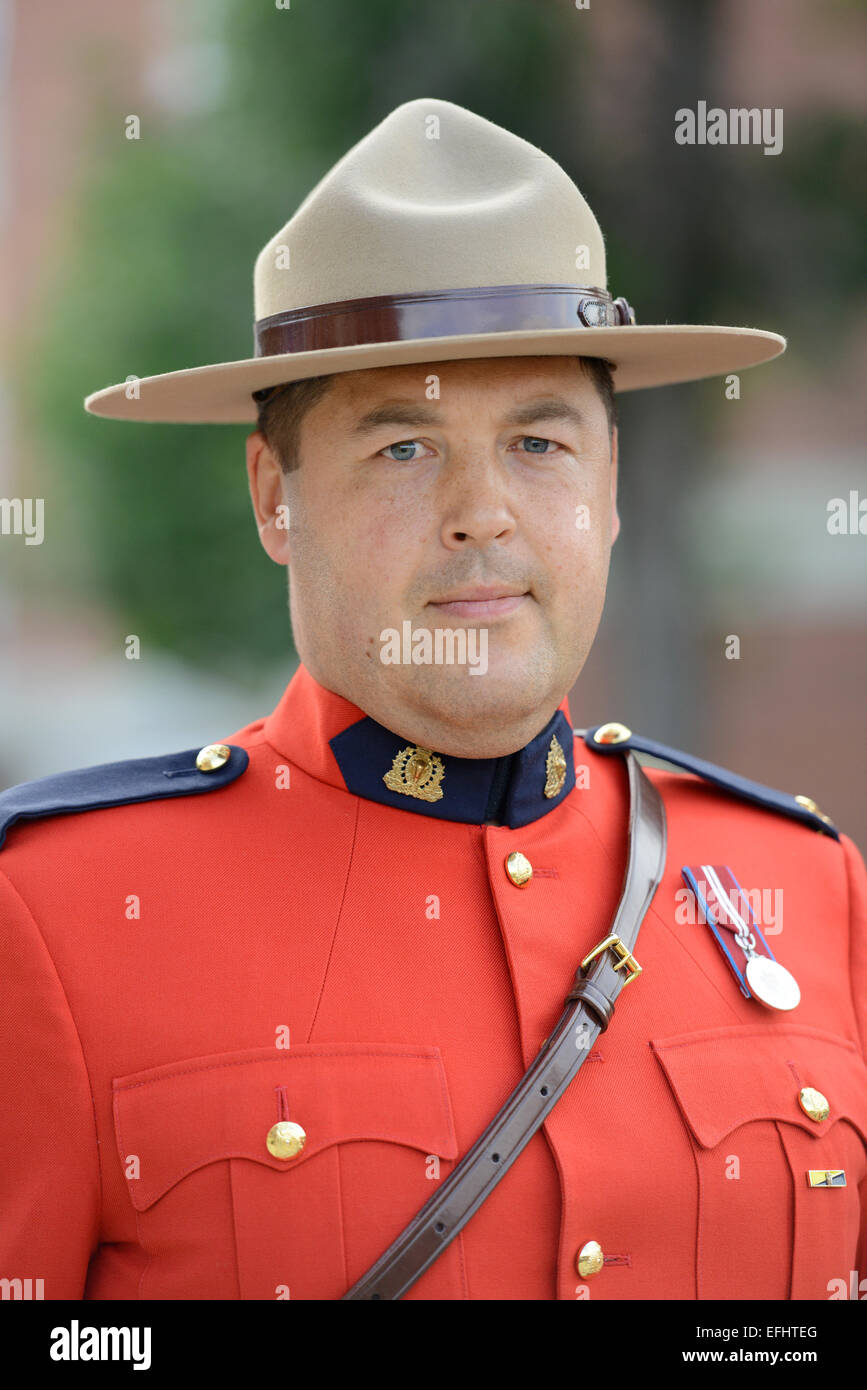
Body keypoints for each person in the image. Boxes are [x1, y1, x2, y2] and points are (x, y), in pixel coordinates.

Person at [1, 97, 865, 1302]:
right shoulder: (53, 918)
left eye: (540, 442)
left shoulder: (810, 890)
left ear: (611, 484)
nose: (482, 512)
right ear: (273, 495)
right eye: (402, 447)